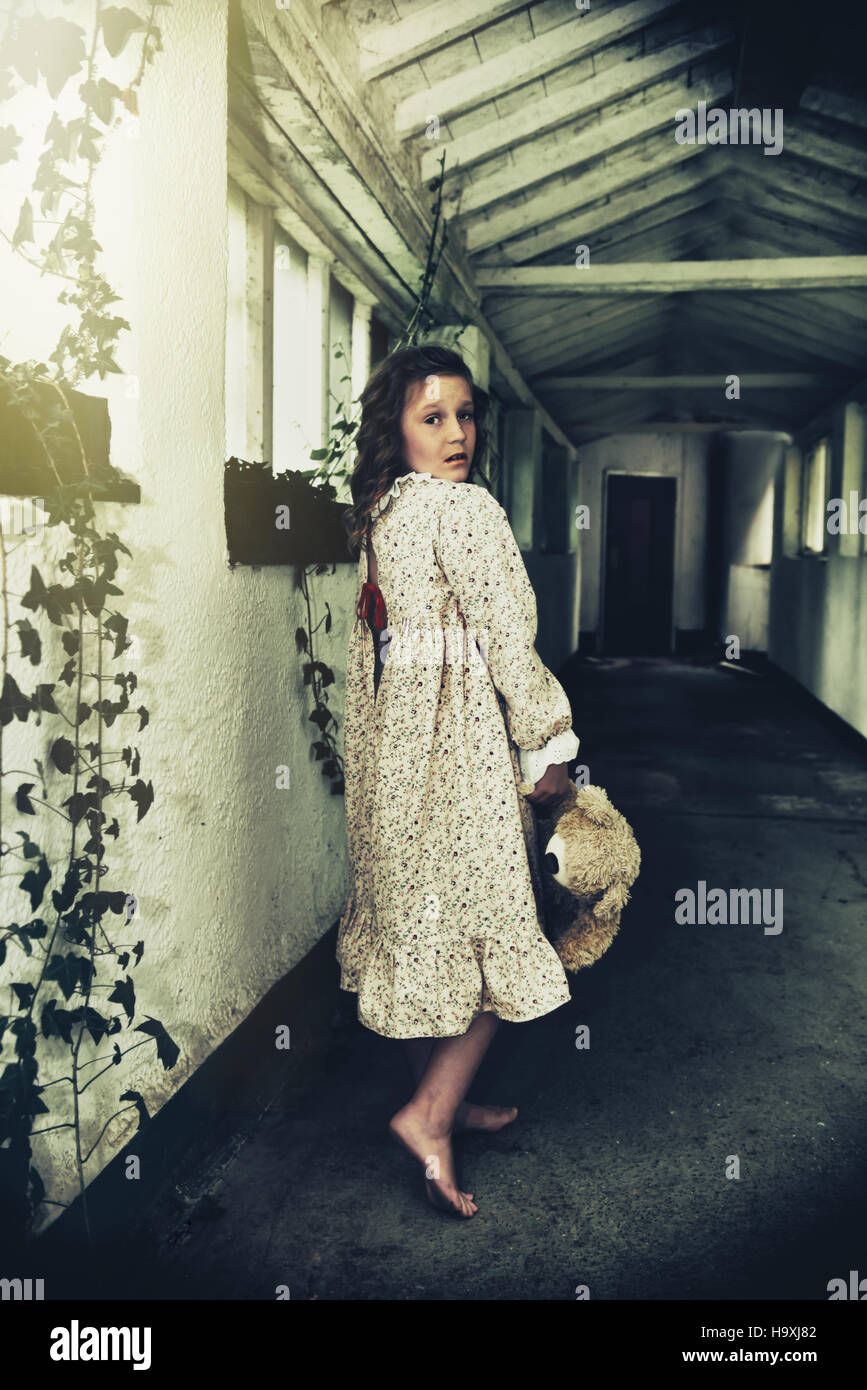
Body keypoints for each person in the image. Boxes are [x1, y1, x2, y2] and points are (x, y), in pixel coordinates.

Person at [337, 344, 580, 1218]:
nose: (457, 433)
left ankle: (444, 1104)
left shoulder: (380, 513)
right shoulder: (465, 511)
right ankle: (430, 1114)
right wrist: (548, 741)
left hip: (390, 764)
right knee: (495, 931)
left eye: (465, 414)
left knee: (422, 934)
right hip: (457, 761)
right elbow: (507, 640)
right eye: (432, 417)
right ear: (396, 429)